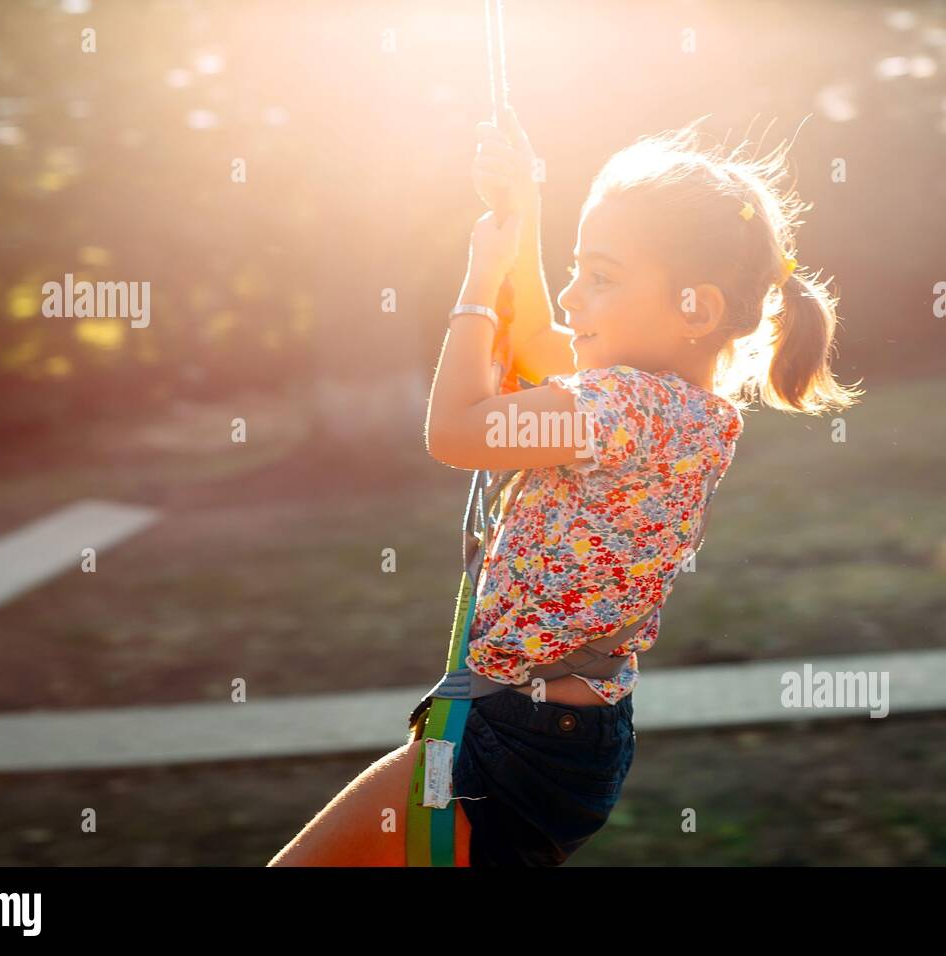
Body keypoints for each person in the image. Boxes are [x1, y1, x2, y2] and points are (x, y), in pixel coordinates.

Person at [267, 106, 862, 867]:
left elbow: (454, 430)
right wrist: (525, 212)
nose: (576, 296)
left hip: (508, 745)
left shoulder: (624, 406)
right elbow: (546, 342)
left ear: (697, 308)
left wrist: (480, 278)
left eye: (601, 276)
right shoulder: (687, 411)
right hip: (562, 742)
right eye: (578, 270)